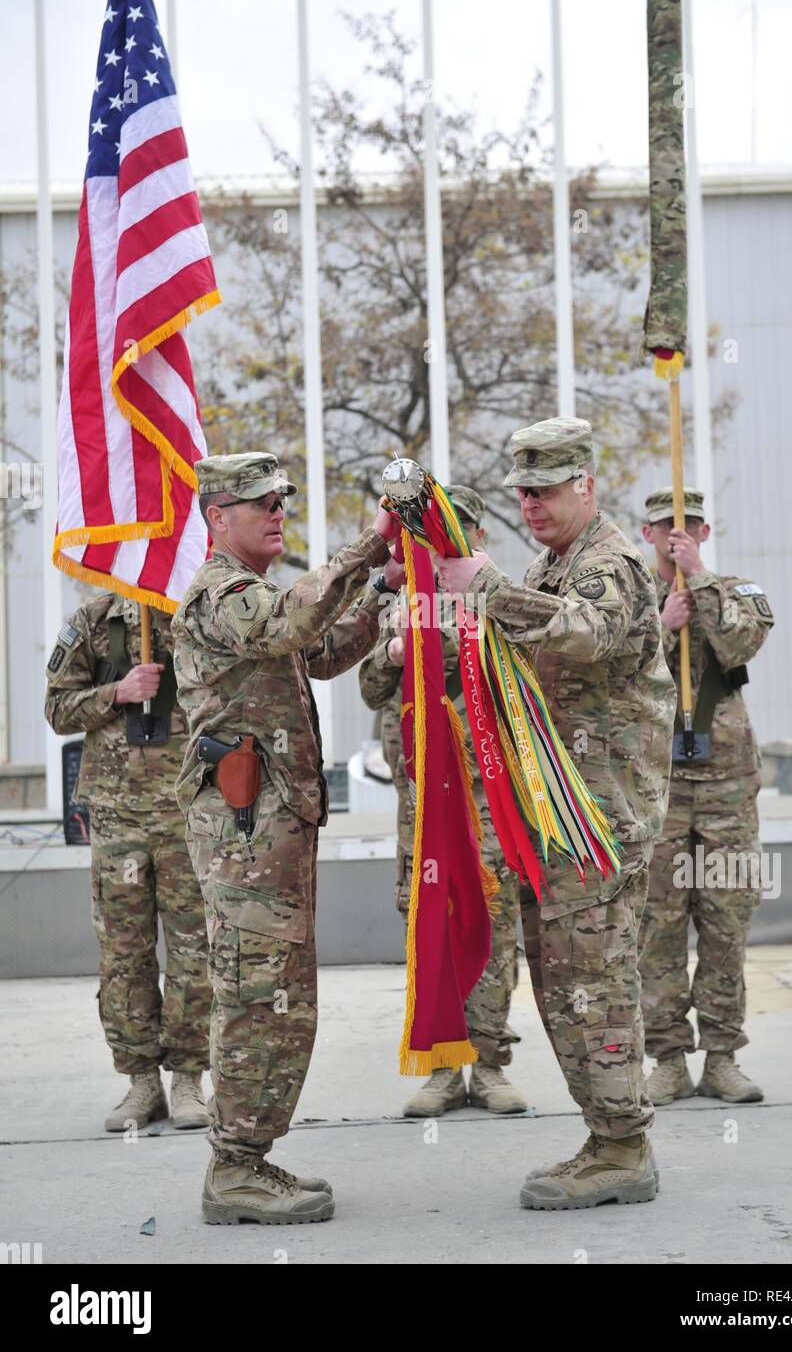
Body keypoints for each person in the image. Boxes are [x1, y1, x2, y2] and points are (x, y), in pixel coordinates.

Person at [436, 418, 676, 1210]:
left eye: (544, 489)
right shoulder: (555, 561)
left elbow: (587, 630)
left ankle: (622, 1146)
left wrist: (487, 588)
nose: (529, 503)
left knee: (594, 979)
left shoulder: (611, 565)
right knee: (565, 977)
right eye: (522, 491)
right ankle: (606, 1134)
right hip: (561, 815)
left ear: (586, 486)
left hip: (600, 818)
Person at [172, 451, 401, 1225]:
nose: (278, 511)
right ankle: (234, 1168)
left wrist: (380, 591)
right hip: (245, 834)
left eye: (282, 499)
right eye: (262, 501)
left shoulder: (258, 597)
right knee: (251, 994)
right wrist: (367, 546)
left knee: (280, 995)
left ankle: (249, 1158)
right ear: (218, 517)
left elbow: (324, 651)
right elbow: (298, 622)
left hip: (271, 830)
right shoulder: (220, 593)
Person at [359, 485, 528, 1118]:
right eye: (427, 537)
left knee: (490, 922)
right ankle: (442, 1066)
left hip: (486, 800)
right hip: (422, 804)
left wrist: (443, 638)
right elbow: (372, 688)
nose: (439, 549)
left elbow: (511, 664)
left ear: (476, 538)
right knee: (429, 925)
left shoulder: (497, 597)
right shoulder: (398, 604)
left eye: (453, 536)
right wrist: (400, 648)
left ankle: (488, 1064)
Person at [45, 592, 210, 1132]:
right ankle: (141, 1081)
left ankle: (189, 1077)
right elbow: (56, 709)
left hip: (187, 810)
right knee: (124, 950)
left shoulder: (197, 613)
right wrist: (118, 691)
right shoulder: (93, 623)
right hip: (118, 814)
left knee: (193, 947)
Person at [638, 487, 774, 1105]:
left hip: (725, 786)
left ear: (704, 530)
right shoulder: (632, 599)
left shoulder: (736, 590)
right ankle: (667, 1056)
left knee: (725, 922)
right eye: (664, 526)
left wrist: (700, 580)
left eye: (686, 526)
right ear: (646, 534)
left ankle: (723, 1055)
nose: (675, 535)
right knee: (657, 926)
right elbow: (609, 665)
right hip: (657, 782)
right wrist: (661, 625)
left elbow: (741, 644)